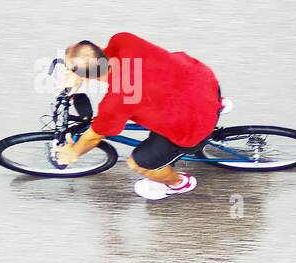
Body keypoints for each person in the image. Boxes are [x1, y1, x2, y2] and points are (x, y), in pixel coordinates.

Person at [56, 32, 221, 200]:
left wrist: (73, 152)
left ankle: (179, 183)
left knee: (138, 164)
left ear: (86, 76)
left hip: (194, 124)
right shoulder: (123, 41)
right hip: (203, 80)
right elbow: (111, 64)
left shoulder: (116, 102)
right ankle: (218, 103)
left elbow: (93, 138)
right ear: (98, 47)